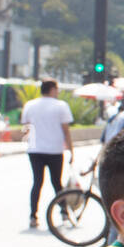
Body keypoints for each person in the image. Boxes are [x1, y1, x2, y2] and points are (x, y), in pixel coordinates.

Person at [21, 79, 74, 229]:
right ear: (52, 89)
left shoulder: (30, 105)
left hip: (35, 150)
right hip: (54, 150)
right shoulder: (60, 105)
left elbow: (25, 128)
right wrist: (71, 149)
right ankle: (64, 212)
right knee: (56, 182)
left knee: (37, 182)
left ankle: (33, 216)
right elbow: (66, 130)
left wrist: (28, 143)